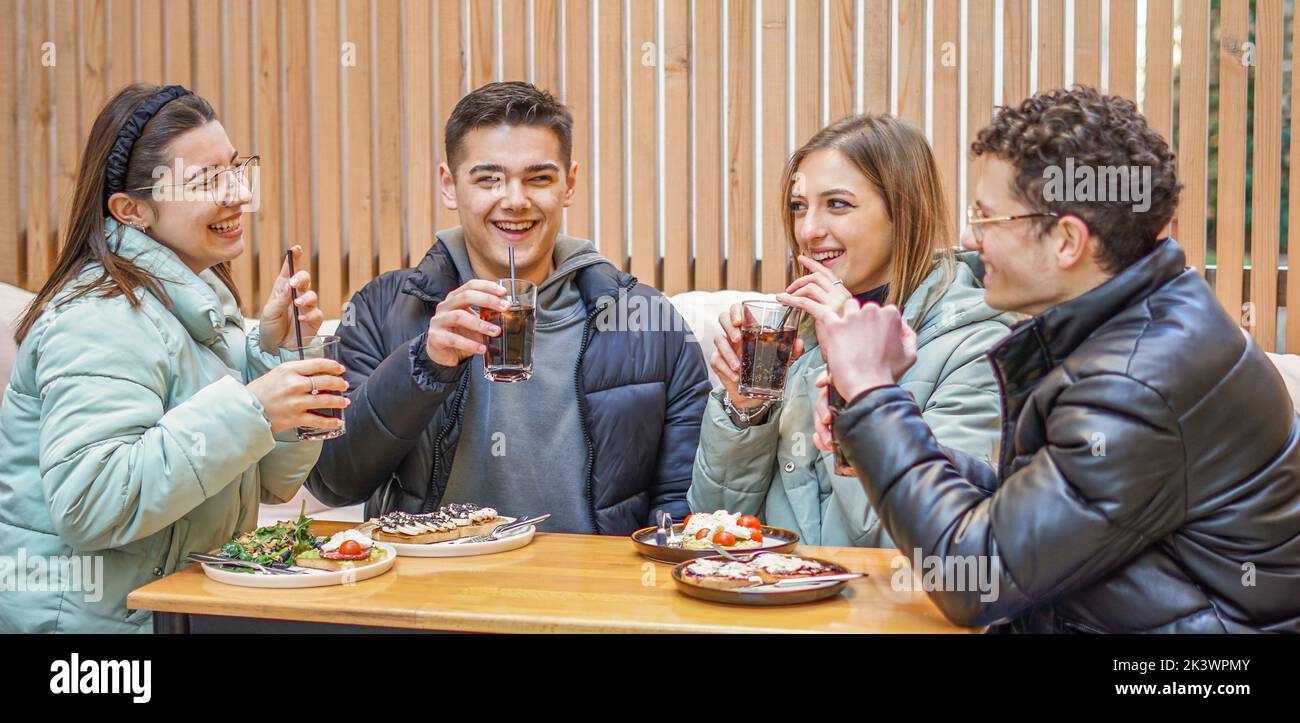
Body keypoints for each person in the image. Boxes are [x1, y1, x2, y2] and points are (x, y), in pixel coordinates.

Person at [813, 87, 1300, 632]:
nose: (968, 238)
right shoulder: (1144, 322)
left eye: (988, 218)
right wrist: (874, 427)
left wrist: (873, 395)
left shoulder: (1136, 383)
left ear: (1067, 241)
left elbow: (975, 577)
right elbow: (1043, 505)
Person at [0, 84, 345, 632]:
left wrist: (275, 356)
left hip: (181, 612)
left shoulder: (198, 306)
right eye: (207, 180)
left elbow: (274, 484)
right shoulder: (101, 316)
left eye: (236, 168)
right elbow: (91, 502)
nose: (237, 193)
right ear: (131, 209)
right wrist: (252, 409)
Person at [306, 82, 709, 534]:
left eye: (539, 178)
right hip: (429, 593)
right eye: (489, 178)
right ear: (449, 186)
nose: (515, 200)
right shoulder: (383, 309)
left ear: (569, 184)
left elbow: (684, 506)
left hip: (591, 598)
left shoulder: (648, 322)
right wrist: (425, 364)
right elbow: (336, 480)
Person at [688, 114, 1014, 547]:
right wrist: (745, 411)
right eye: (799, 206)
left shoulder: (978, 346)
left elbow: (921, 543)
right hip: (776, 603)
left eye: (838, 204)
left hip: (892, 611)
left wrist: (853, 379)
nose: (808, 230)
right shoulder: (794, 336)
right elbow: (713, 529)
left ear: (903, 211)